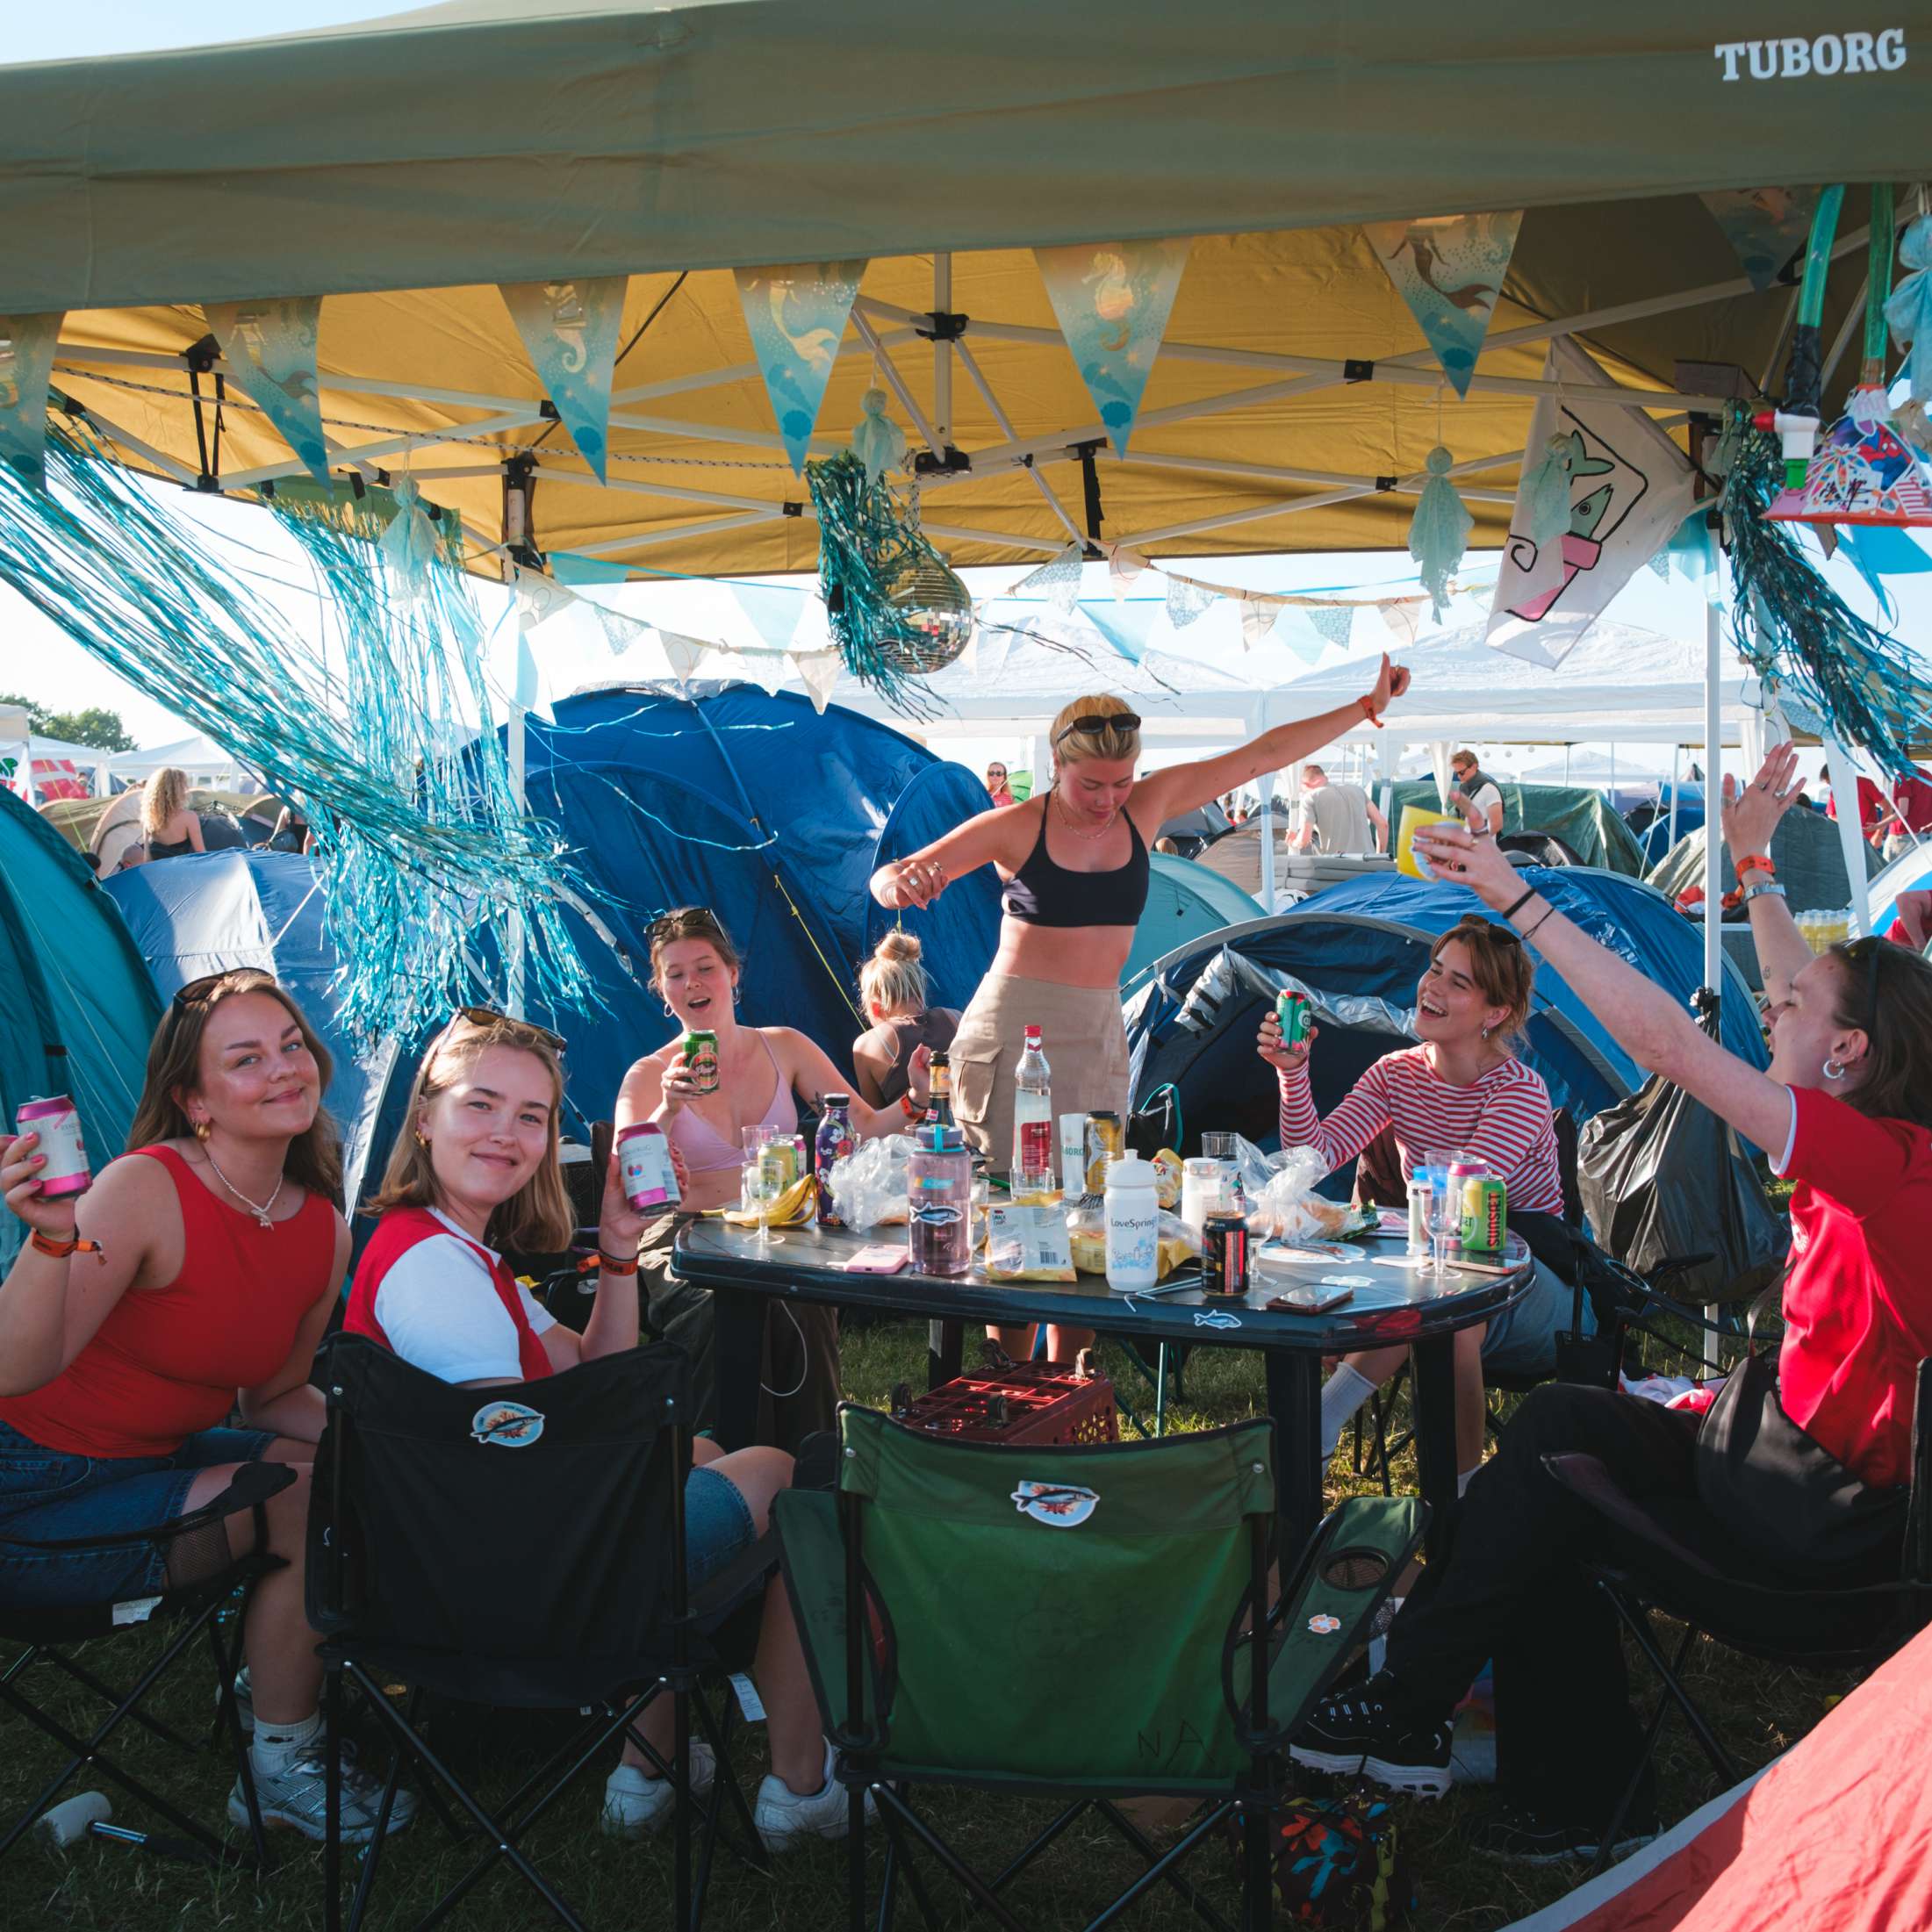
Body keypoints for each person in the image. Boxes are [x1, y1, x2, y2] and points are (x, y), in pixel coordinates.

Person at [1289, 745, 1932, 1861]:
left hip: (1814, 1529)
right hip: (1788, 1459)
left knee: (1551, 1474)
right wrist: (1750, 861)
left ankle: (1468, 1739)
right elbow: (1804, 992)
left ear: (1847, 1054)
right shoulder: (1883, 1137)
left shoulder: (1872, 1167)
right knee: (1558, 1428)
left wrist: (1518, 899)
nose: (1765, 1010)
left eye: (1785, 1010)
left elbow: (1666, 1044)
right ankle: (1469, 1740)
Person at [348, 1010, 858, 1849]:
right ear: (424, 1116)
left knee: (697, 1451)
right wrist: (634, 1452)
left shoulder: (459, 1252)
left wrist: (620, 1252)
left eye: (531, 1116)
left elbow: (589, 1365)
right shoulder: (433, 1270)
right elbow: (523, 1455)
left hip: (483, 1553)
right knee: (781, 1472)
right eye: (480, 1105)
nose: (505, 1134)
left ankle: (646, 1765)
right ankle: (799, 1786)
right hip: (515, 1586)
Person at [870, 660, 1411, 1361]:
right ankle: (1006, 1380)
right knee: (1016, 1212)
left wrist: (1363, 707)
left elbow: (1265, 753)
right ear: (1057, 762)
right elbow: (893, 875)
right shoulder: (1015, 825)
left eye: (1121, 782)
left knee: (1095, 1209)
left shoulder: (1148, 805)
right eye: (1090, 784)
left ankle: (1068, 1386)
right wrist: (901, 883)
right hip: (1013, 1029)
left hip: (1097, 1029)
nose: (1107, 798)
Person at [0, 969, 411, 1842]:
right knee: (300, 1499)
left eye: (292, 1043)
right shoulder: (145, 1186)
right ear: (195, 1099)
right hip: (29, 1488)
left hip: (151, 1463)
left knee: (340, 1471)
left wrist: (404, 1439)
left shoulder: (318, 1225)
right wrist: (49, 1233)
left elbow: (272, 1398)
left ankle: (278, 1672)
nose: (284, 1068)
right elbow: (15, 1367)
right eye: (247, 1058)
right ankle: (281, 1767)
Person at [1258, 915, 1572, 1487]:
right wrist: (1294, 1073)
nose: (1431, 987)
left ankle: (1462, 1496)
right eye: (1433, 969)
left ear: (1494, 1013)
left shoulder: (1518, 1090)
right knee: (1433, 1295)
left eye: (1458, 982)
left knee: (1444, 1313)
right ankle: (1320, 1429)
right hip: (1437, 1263)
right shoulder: (1394, 1074)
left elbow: (1465, 1200)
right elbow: (1314, 1158)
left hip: (1534, 1281)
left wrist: (1371, 1224)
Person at [616, 907, 930, 1453]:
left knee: (799, 1303)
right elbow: (632, 1175)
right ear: (661, 988)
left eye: (705, 966)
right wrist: (667, 1110)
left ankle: (811, 1461)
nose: (692, 982)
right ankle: (718, 1467)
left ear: (734, 974)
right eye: (674, 973)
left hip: (778, 1229)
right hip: (684, 1236)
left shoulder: (782, 1046)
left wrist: (916, 1099)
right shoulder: (648, 1074)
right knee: (724, 1314)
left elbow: (867, 1127)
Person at [851, 930, 959, 1111]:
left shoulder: (866, 1045)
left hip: (910, 1137)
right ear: (919, 993)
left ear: (875, 1007)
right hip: (965, 1132)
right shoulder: (956, 1017)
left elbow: (874, 1118)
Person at [1291, 763, 1389, 855]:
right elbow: (1383, 824)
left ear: (1305, 784)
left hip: (1337, 866)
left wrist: (1293, 841)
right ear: (1324, 777)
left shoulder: (1310, 798)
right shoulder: (1358, 790)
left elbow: (1304, 840)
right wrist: (1379, 856)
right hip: (1368, 862)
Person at [140, 765, 205, 859]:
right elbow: (201, 853)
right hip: (181, 871)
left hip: (156, 872)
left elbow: (147, 858)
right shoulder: (189, 817)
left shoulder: (149, 818)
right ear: (178, 790)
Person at [1446, 750, 1504, 837]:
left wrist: (1474, 842)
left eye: (1462, 772)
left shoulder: (1489, 789)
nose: (1459, 776)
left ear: (1474, 766)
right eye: (1456, 773)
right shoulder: (1464, 789)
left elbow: (1497, 824)